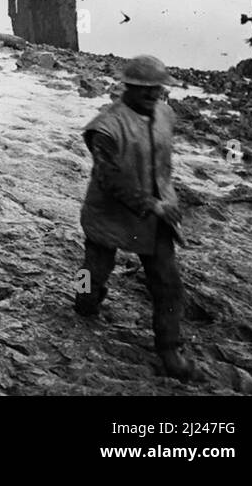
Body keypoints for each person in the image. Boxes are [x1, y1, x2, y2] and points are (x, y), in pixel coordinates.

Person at [74, 55, 193, 382]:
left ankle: (170, 347)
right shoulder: (106, 127)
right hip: (109, 213)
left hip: (156, 216)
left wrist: (162, 202)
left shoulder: (166, 115)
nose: (154, 96)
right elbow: (108, 178)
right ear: (128, 88)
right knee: (90, 273)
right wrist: (150, 203)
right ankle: (83, 298)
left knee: (168, 285)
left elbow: (162, 162)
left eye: (158, 89)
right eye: (146, 90)